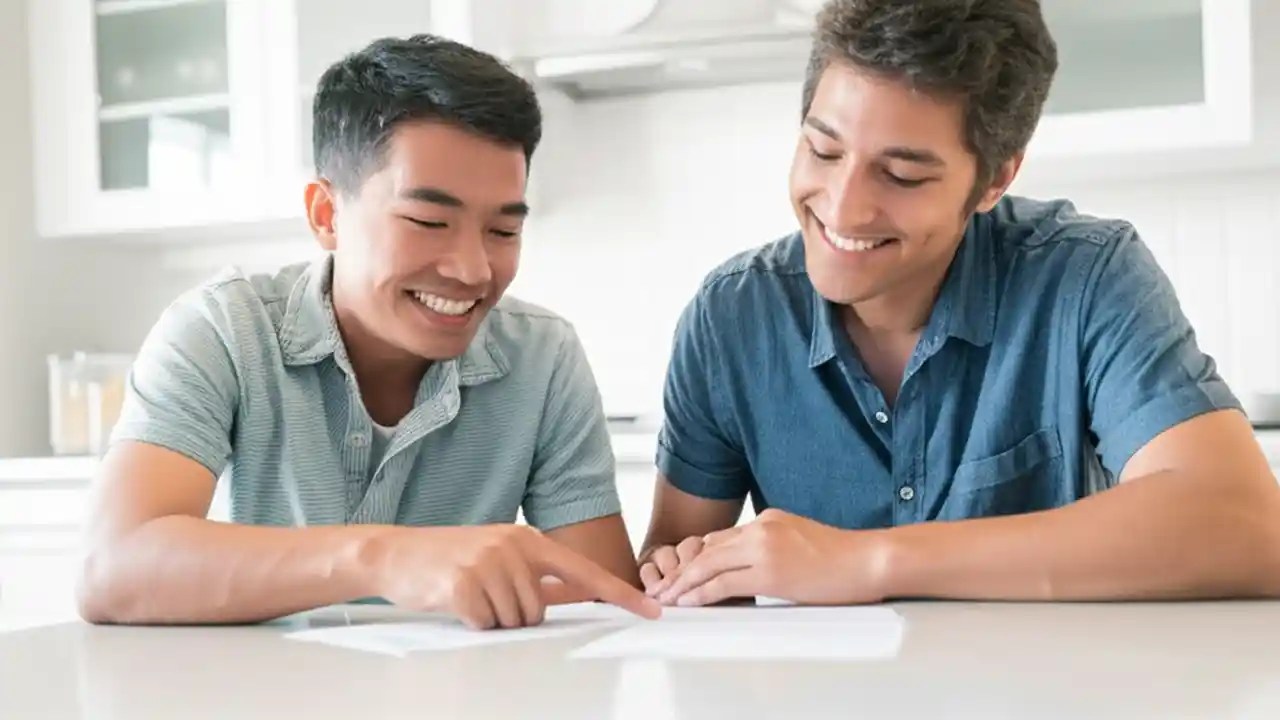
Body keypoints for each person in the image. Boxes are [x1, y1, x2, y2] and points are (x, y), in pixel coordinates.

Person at [640, 0, 1280, 606]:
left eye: (902, 175)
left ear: (995, 178)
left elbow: (1246, 525)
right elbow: (671, 573)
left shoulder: (1083, 277)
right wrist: (681, 573)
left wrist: (867, 560)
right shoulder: (731, 319)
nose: (841, 205)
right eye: (823, 150)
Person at [77, 34, 659, 629]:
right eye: (428, 222)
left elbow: (603, 602)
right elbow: (113, 569)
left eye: (503, 231)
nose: (473, 270)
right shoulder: (222, 331)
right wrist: (382, 558)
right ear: (326, 215)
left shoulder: (544, 358)